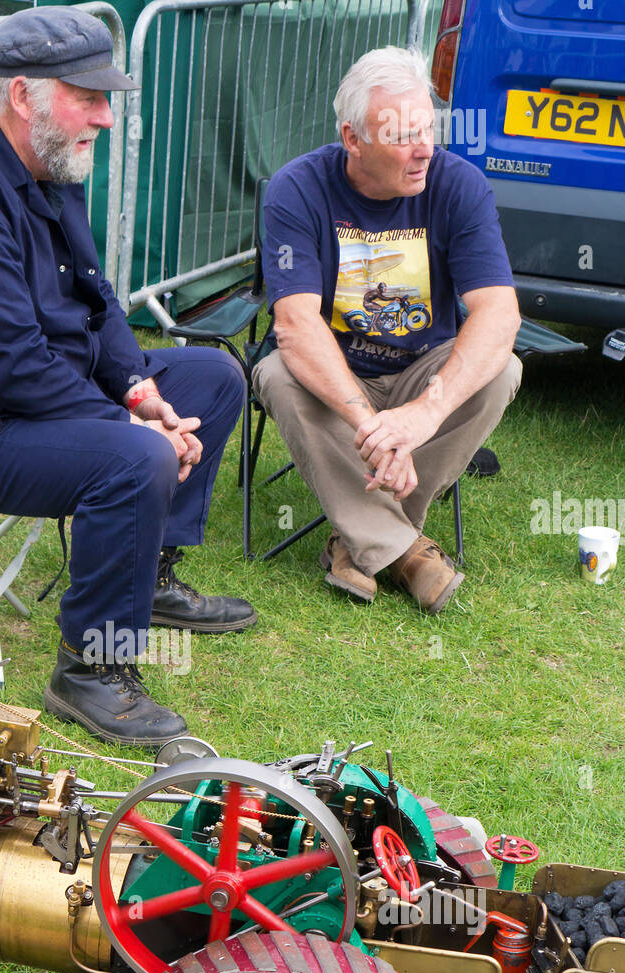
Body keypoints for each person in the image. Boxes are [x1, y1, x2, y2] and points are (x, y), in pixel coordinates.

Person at [0, 8, 251, 749]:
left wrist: (142, 392)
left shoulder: (44, 158)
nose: (106, 117)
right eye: (90, 97)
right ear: (23, 95)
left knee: (211, 376)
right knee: (136, 456)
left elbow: (95, 296)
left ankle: (151, 571)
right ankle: (89, 671)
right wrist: (134, 429)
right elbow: (11, 363)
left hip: (36, 392)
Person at [253, 46, 523, 613]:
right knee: (278, 371)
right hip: (338, 376)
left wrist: (421, 416)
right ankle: (403, 550)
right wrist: (374, 428)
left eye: (427, 128)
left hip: (420, 371)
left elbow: (499, 315)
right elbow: (297, 325)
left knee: (504, 368)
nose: (424, 149)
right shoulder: (297, 188)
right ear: (353, 140)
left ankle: (362, 538)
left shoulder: (460, 186)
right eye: (402, 136)